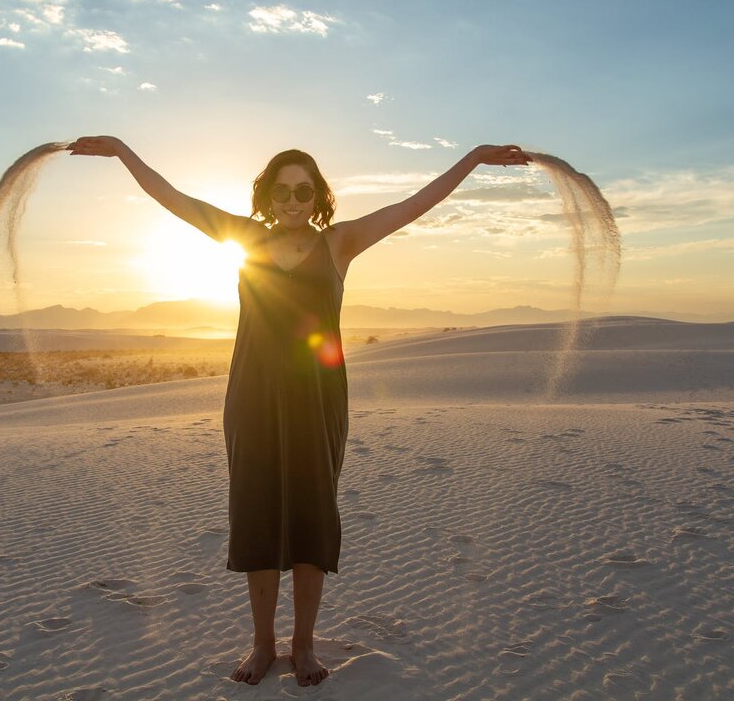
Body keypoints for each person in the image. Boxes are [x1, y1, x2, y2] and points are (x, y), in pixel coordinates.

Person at [66, 136, 529, 686]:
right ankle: (264, 643)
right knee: (256, 514)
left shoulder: (341, 242)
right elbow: (173, 198)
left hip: (318, 399)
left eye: (304, 190)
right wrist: (122, 150)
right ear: (266, 194)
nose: (293, 200)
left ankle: (303, 644)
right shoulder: (243, 236)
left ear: (317, 197)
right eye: (282, 190)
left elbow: (412, 206)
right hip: (252, 398)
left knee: (312, 516)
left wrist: (473, 158)